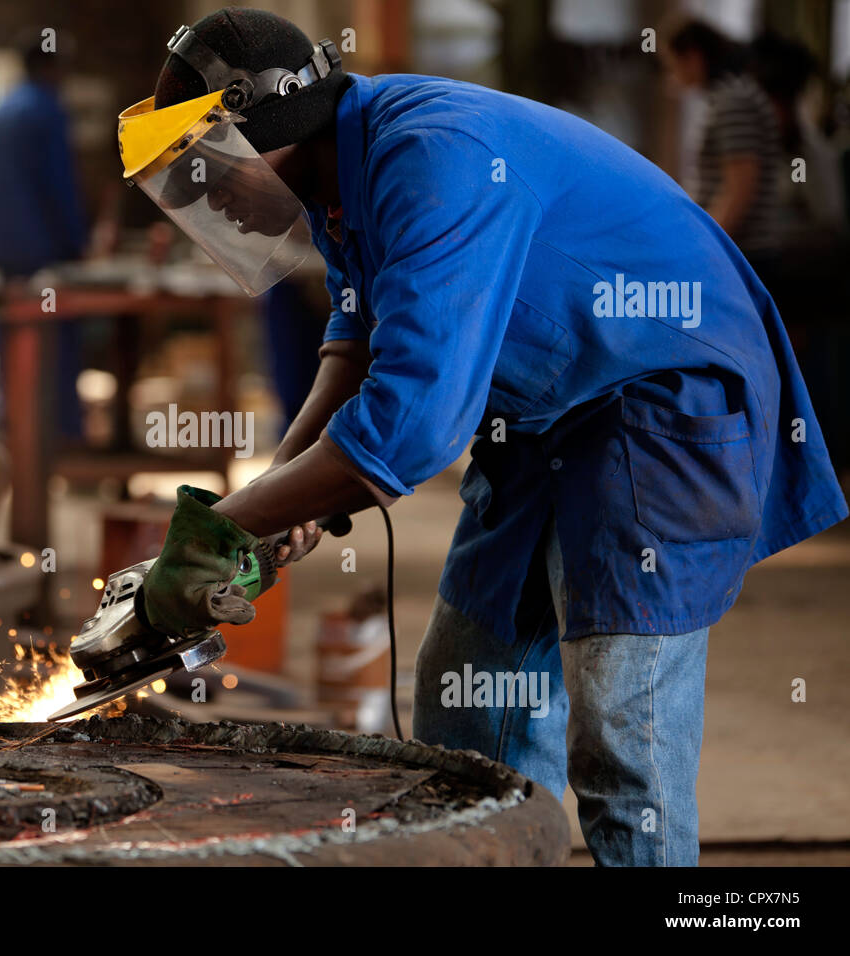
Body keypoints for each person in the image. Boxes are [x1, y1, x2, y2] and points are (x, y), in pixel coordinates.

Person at [118, 8, 847, 866]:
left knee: (620, 732)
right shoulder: (334, 172)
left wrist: (226, 524)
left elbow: (413, 426)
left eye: (206, 166)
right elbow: (356, 350)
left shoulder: (429, 158)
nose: (206, 194)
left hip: (662, 399)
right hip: (549, 412)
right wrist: (274, 507)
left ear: (265, 121)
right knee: (468, 708)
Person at [0, 34, 87, 440]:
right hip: (42, 255)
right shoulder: (46, 111)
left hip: (4, 253)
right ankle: (58, 440)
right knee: (54, 351)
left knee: (9, 344)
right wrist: (77, 244)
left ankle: (12, 433)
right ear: (52, 68)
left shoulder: (4, 110)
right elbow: (58, 186)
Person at [666, 19, 782, 270]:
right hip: (737, 251)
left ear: (694, 58)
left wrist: (705, 248)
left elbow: (740, 186)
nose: (672, 73)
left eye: (673, 63)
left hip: (742, 254)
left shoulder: (733, 100)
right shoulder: (726, 95)